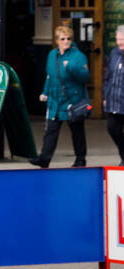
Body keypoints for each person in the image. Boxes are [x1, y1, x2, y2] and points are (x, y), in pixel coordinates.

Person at [30, 23, 90, 168]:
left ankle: (80, 159)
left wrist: (72, 67)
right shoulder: (52, 55)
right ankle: (44, 159)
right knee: (51, 130)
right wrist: (45, 92)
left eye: (69, 39)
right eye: (62, 39)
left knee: (77, 131)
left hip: (72, 100)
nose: (66, 42)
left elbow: (85, 77)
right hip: (56, 100)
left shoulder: (78, 56)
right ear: (57, 40)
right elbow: (50, 76)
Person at [103, 24, 124, 166]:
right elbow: (108, 76)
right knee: (112, 128)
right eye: (118, 39)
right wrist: (105, 96)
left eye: (122, 39)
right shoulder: (114, 53)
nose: (119, 42)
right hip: (114, 101)